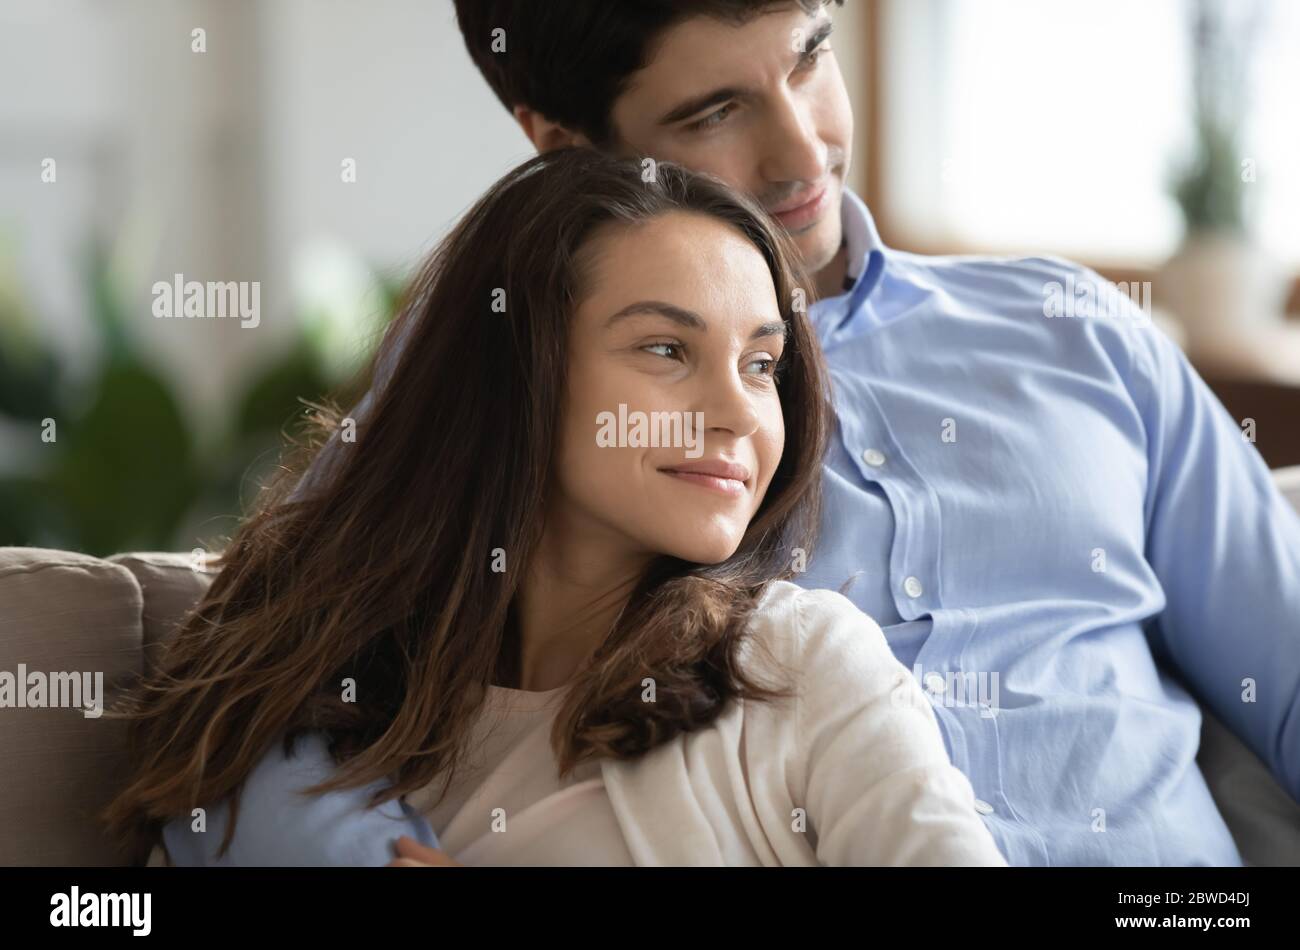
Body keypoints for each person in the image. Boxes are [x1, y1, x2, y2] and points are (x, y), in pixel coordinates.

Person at [295, 0, 1300, 866]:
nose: (802, 149)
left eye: (810, 55)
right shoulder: (526, 375)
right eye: (717, 110)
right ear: (565, 146)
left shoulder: (1074, 331)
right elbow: (274, 667)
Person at [103, 147, 1008, 867]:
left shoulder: (803, 664)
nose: (738, 413)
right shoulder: (315, 713)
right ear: (516, 379)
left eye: (761, 365)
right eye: (664, 349)